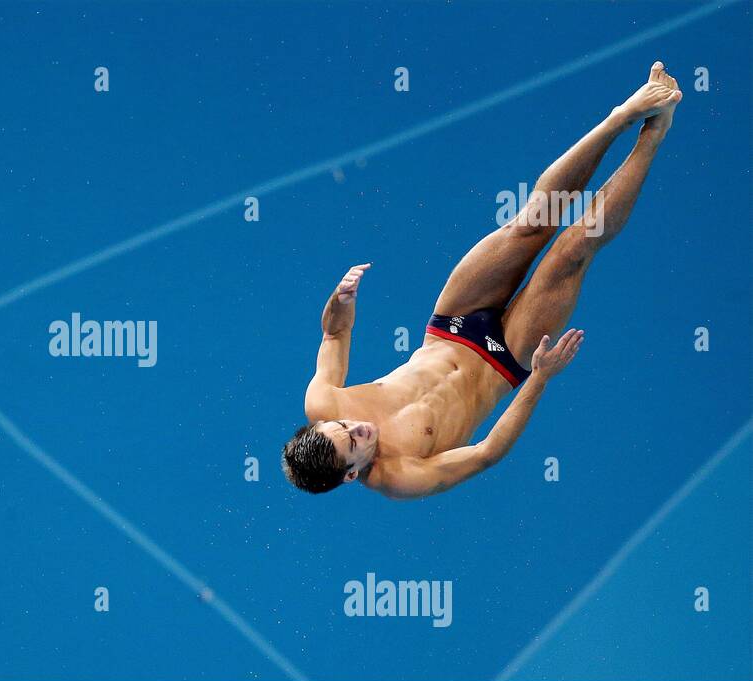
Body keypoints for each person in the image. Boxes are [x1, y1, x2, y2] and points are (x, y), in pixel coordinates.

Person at [283, 64, 681, 498]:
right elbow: (487, 452)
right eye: (354, 443)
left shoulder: (323, 402)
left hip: (452, 325)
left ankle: (620, 117)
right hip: (505, 359)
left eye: (342, 427)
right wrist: (540, 378)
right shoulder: (401, 478)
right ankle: (654, 132)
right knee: (572, 252)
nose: (357, 427)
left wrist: (341, 297)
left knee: (531, 224)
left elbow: (335, 333)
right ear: (352, 474)